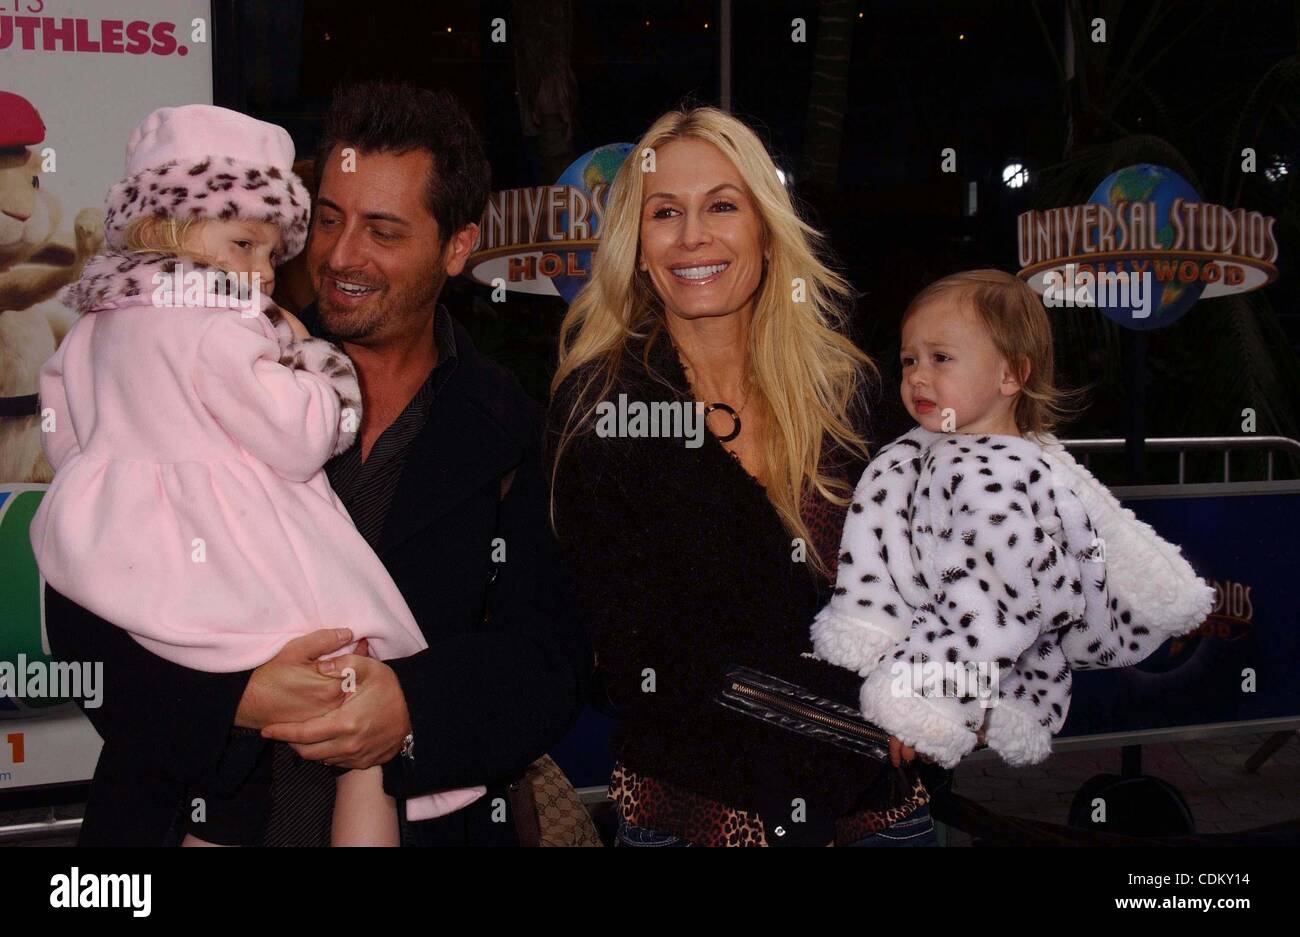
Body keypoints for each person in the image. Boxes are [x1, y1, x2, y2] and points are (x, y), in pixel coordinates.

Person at [42, 82, 590, 847]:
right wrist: (232, 697)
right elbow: (79, 616)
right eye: (328, 218)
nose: (340, 255)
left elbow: (545, 667)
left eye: (384, 231)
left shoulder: (513, 432)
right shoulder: (204, 356)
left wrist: (408, 708)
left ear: (457, 247)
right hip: (172, 819)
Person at [547, 104, 940, 847]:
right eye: (666, 212)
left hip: (879, 815)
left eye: (722, 205)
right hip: (700, 817)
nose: (693, 236)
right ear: (637, 244)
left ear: (764, 225)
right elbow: (647, 665)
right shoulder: (605, 410)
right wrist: (873, 705)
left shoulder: (845, 389)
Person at [811, 269, 1215, 768]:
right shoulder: (937, 449)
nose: (917, 375)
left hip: (943, 678)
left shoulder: (994, 477)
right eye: (909, 359)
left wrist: (925, 702)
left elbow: (992, 609)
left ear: (1011, 375)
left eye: (941, 358)